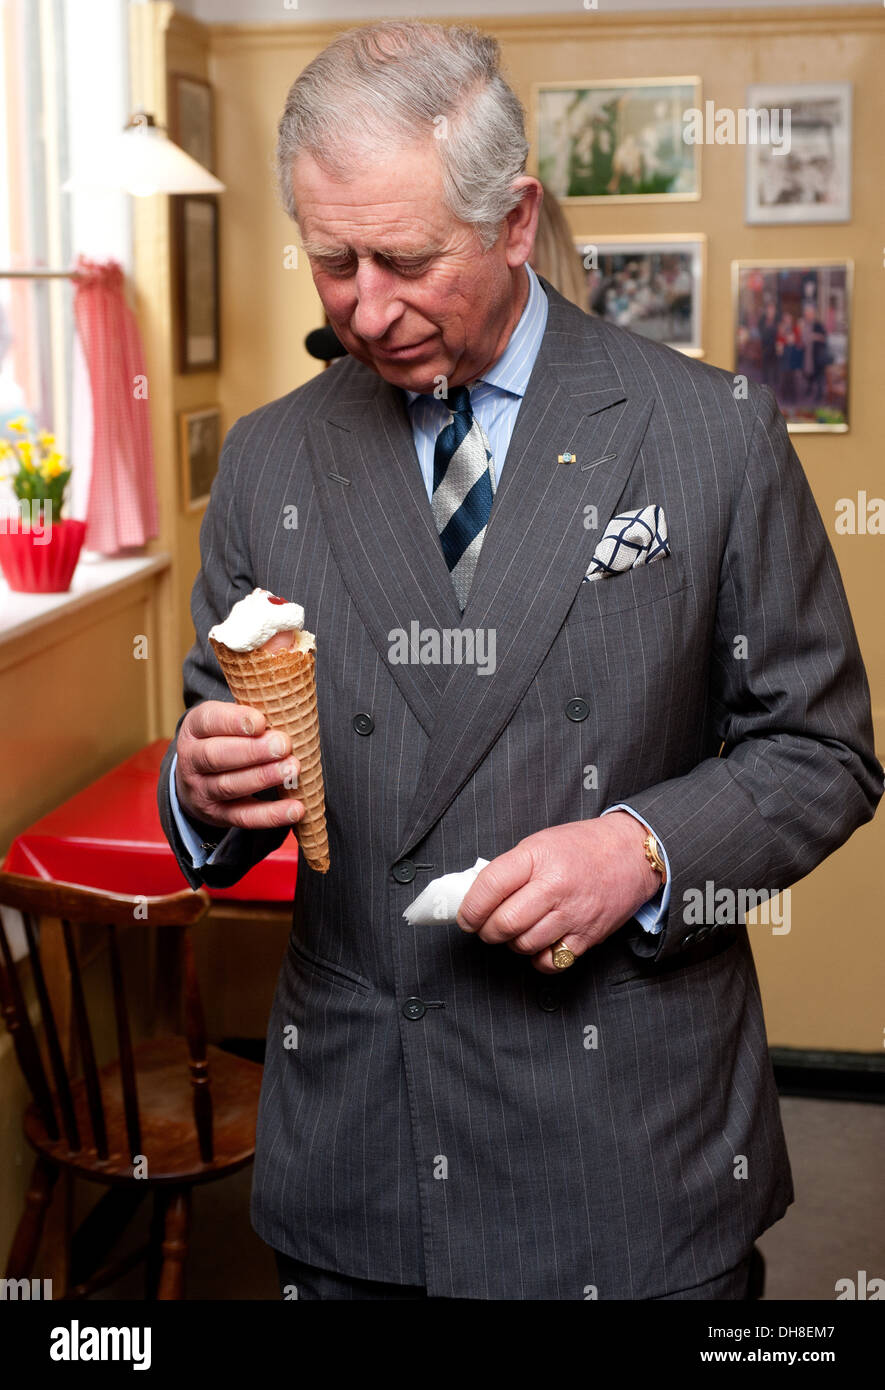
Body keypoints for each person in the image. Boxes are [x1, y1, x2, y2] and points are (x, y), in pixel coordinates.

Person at [158, 21, 881, 1301]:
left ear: (512, 217)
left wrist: (643, 852)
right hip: (366, 1152)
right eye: (332, 261)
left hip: (630, 1151)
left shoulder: (707, 430)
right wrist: (200, 785)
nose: (366, 307)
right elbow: (219, 743)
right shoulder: (271, 460)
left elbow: (822, 750)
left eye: (406, 258)